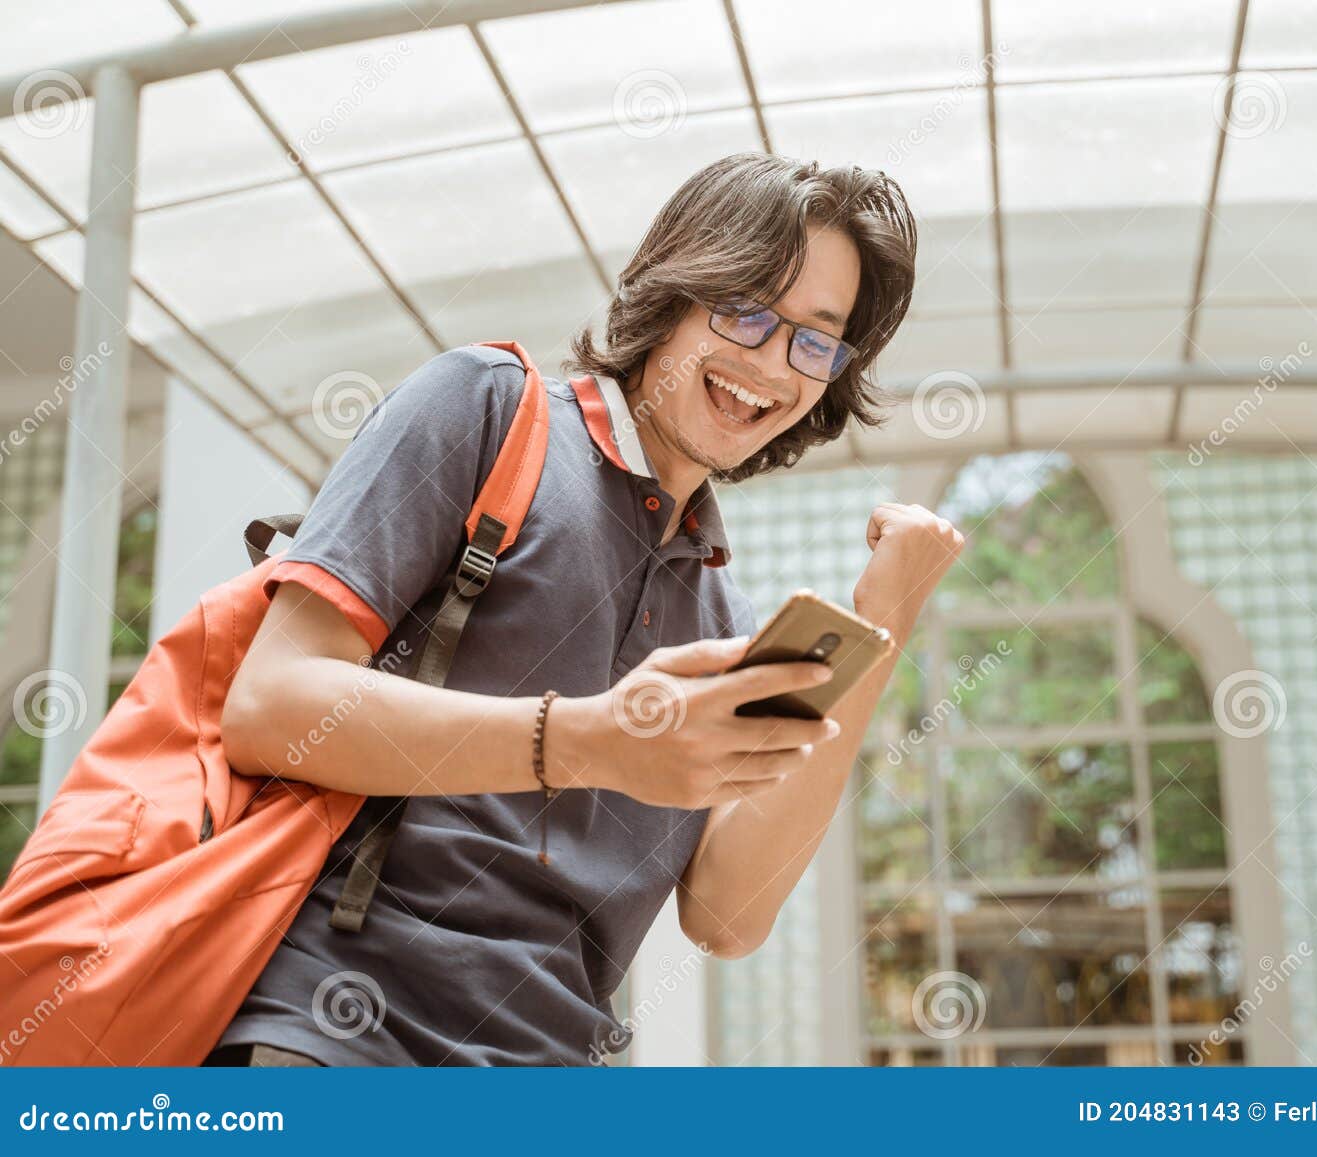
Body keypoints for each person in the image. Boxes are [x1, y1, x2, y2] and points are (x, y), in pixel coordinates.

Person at [212, 151, 964, 1066]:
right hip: (333, 1037)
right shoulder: (484, 409)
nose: (772, 361)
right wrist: (584, 740)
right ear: (671, 288)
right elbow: (271, 705)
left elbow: (728, 916)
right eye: (745, 308)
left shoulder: (724, 617)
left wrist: (880, 631)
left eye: (814, 340)